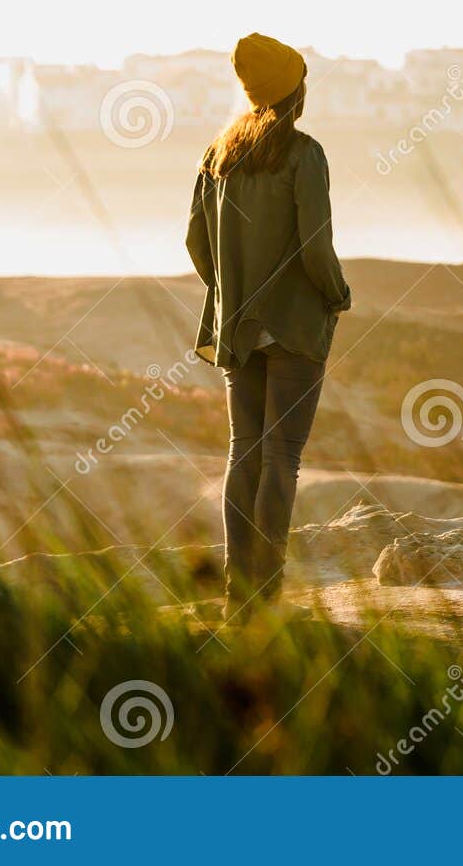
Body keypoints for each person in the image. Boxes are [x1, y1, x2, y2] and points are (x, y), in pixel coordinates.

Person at [186, 32, 352, 622]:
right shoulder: (305, 154)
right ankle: (267, 594)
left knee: (244, 454)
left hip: (236, 327)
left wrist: (226, 288)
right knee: (282, 457)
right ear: (295, 92)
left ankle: (239, 596)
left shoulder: (219, 154)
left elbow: (195, 243)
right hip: (295, 328)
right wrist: (338, 294)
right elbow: (315, 247)